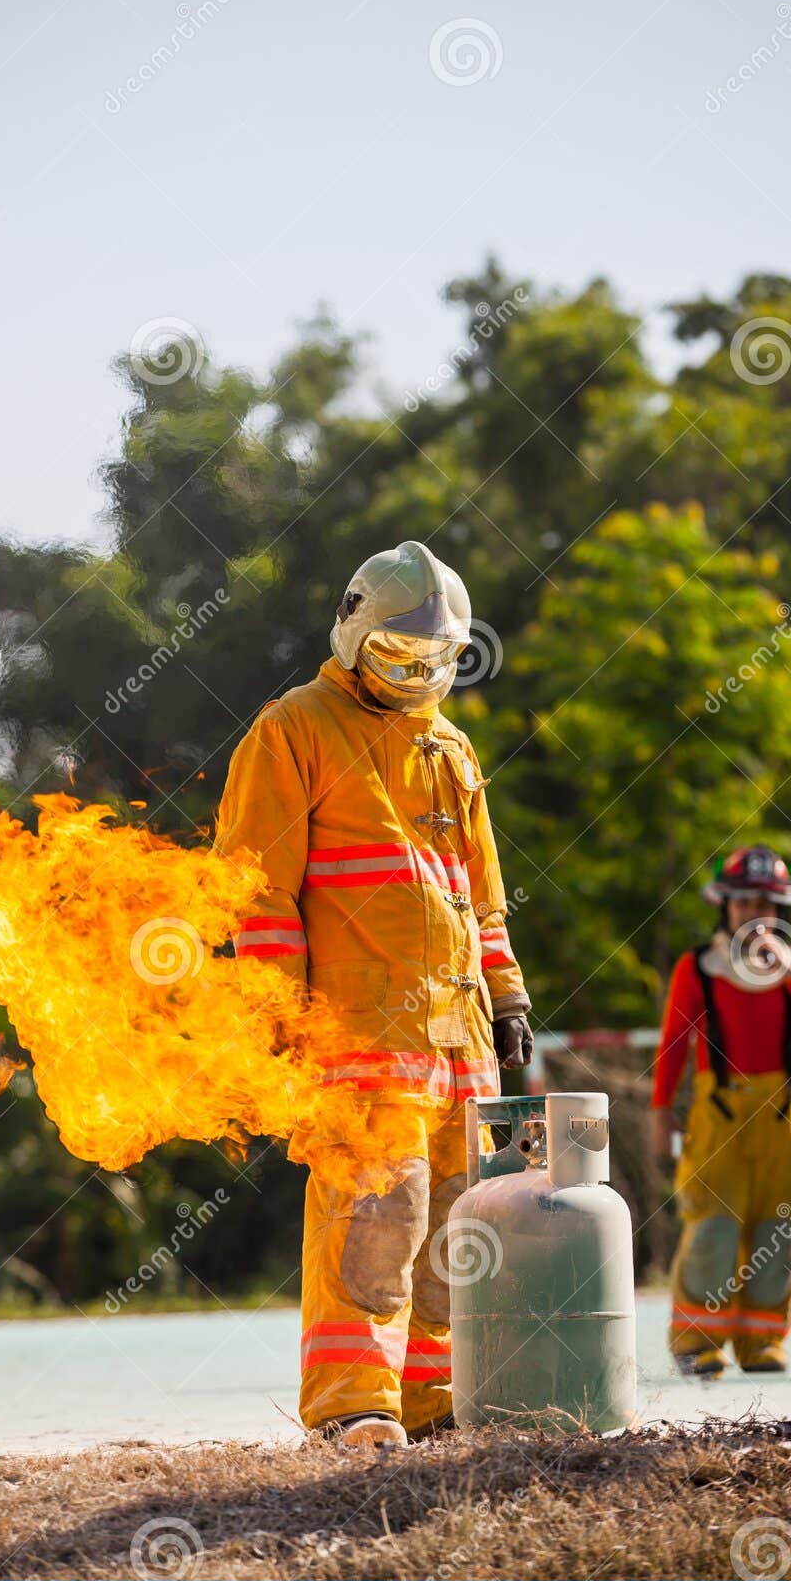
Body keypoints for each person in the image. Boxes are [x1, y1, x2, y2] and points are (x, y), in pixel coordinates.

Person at [215, 539, 532, 1447]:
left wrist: (505, 998)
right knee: (373, 1213)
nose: (415, 678)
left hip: (458, 1037)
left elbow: (480, 895)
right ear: (353, 638)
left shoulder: (452, 747)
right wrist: (281, 1016)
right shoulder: (295, 728)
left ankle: (434, 1402)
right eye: (397, 658)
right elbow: (258, 893)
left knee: (459, 1220)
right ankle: (353, 1404)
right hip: (355, 1034)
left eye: (434, 663)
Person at [651, 844, 791, 1377]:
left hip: (782, 1117)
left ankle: (762, 1344)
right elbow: (672, 1045)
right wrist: (660, 1113)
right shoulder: (701, 967)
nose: (754, 914)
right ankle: (696, 1343)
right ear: (724, 907)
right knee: (712, 1230)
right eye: (742, 903)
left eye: (765, 904)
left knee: (777, 1232)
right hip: (720, 1119)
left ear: (780, 909)